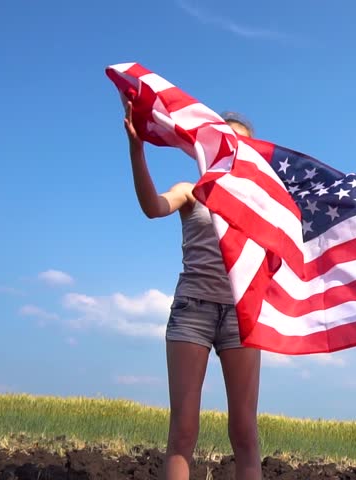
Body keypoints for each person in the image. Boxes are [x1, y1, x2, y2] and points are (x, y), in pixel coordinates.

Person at [122, 100, 262, 480]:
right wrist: (137, 149)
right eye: (225, 140)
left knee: (245, 432)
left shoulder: (262, 201)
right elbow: (152, 207)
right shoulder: (191, 190)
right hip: (193, 311)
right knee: (183, 430)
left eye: (242, 144)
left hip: (241, 317)